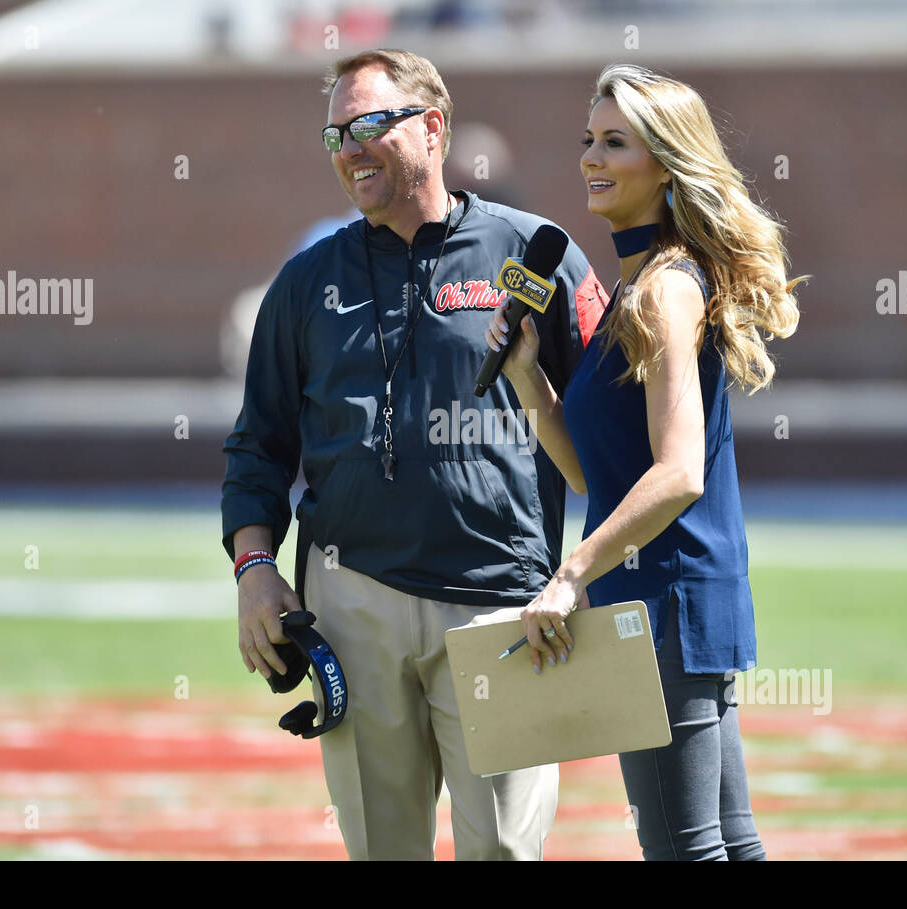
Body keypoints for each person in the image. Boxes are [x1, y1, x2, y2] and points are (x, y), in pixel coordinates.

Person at [221, 48, 609, 861]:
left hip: (504, 602)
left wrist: (587, 574)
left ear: (433, 128)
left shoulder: (535, 253)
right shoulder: (304, 282)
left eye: (368, 125)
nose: (350, 149)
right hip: (352, 600)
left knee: (504, 852)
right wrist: (254, 570)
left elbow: (615, 427)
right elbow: (258, 445)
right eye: (335, 136)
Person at [485, 63, 805, 860]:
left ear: (666, 165)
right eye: (588, 140)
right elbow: (597, 476)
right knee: (727, 844)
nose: (591, 158)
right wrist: (529, 375)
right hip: (667, 596)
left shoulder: (664, 289)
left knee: (685, 851)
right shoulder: (636, 289)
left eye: (616, 143)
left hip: (665, 602)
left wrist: (570, 574)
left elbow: (679, 472)